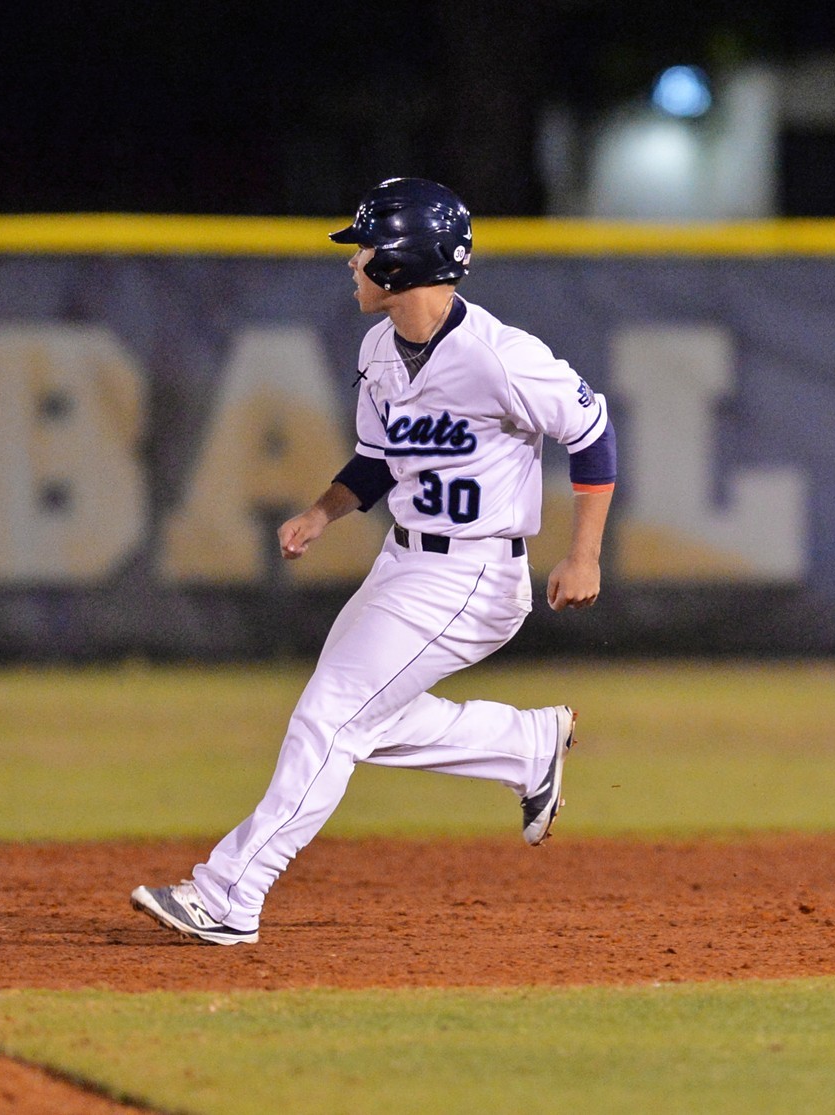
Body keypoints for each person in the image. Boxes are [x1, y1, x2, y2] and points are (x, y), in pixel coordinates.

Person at [132, 178, 618, 945]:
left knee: (329, 716)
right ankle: (522, 746)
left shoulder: (499, 358)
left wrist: (583, 552)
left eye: (363, 248)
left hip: (473, 575)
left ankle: (230, 892)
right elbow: (378, 459)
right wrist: (321, 512)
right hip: (404, 564)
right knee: (354, 719)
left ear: (400, 260)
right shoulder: (379, 349)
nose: (352, 262)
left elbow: (591, 432)